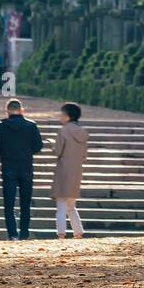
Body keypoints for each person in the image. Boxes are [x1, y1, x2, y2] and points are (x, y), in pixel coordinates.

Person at [0, 99, 43, 240]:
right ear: (21, 110)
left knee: (9, 202)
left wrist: (4, 155)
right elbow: (38, 146)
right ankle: (24, 233)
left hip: (8, 166)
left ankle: (12, 234)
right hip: (26, 166)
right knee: (25, 202)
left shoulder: (1, 126)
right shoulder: (31, 126)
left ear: (7, 110)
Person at [52, 102, 88, 240]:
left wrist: (52, 145)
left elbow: (58, 151)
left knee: (61, 204)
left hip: (63, 171)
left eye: (62, 114)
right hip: (77, 171)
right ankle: (78, 232)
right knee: (71, 205)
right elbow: (84, 155)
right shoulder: (83, 132)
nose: (60, 117)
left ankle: (61, 233)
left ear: (67, 117)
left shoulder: (63, 131)